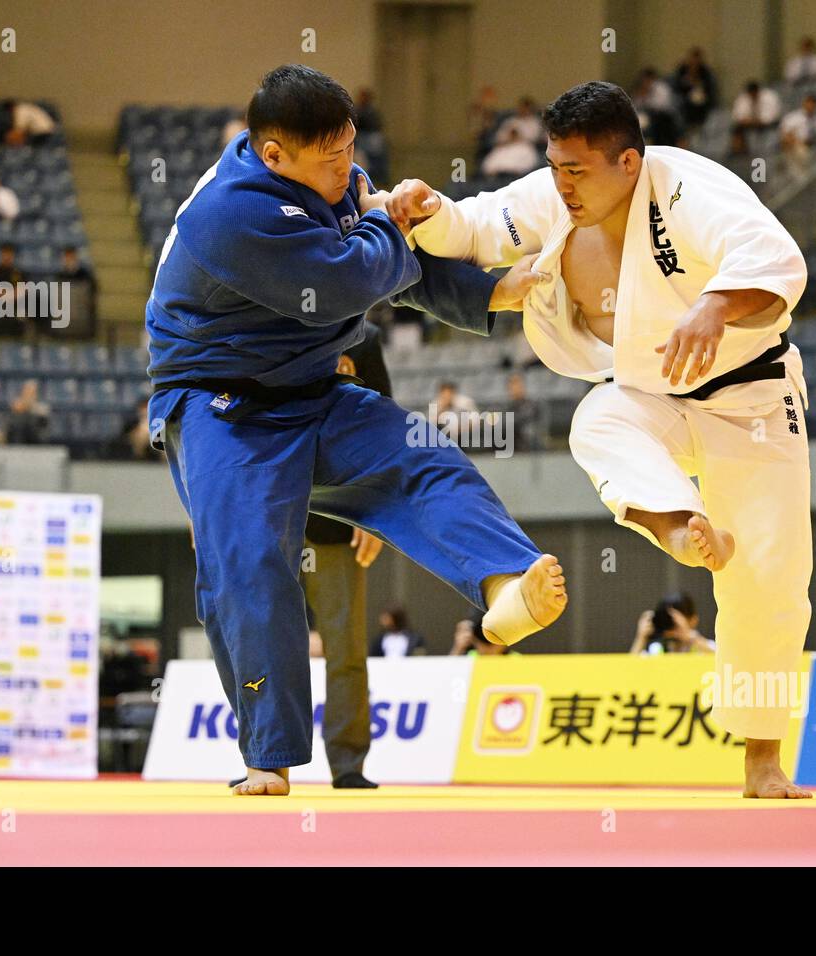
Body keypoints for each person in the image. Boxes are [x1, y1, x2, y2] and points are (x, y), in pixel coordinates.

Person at [145, 65, 567, 797]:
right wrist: (388, 218)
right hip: (219, 408)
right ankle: (267, 760)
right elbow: (347, 282)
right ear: (274, 155)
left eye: (349, 149)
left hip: (313, 392)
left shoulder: (338, 181)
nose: (346, 169)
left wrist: (496, 288)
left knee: (424, 457)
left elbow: (401, 268)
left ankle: (505, 583)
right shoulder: (228, 212)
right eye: (329, 158)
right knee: (251, 562)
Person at [401, 80, 813, 798]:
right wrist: (429, 210)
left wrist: (715, 306)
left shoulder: (692, 192)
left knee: (769, 578)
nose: (561, 186)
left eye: (577, 170)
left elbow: (780, 266)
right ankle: (679, 525)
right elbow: (472, 230)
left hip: (751, 394)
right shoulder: (552, 197)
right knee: (596, 421)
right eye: (555, 166)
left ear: (628, 162)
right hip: (653, 393)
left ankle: (762, 760)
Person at [300, 323, 392, 788]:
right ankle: (266, 755)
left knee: (346, 649)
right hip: (273, 510)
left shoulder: (365, 339)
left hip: (338, 522)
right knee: (263, 641)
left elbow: (383, 430)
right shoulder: (263, 322)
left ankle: (349, 763)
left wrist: (372, 514)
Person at [630, 591, 714, 654]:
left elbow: (721, 660)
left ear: (693, 620)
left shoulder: (704, 648)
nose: (671, 625)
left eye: (676, 621)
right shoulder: (655, 649)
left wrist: (690, 636)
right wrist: (641, 639)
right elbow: (629, 670)